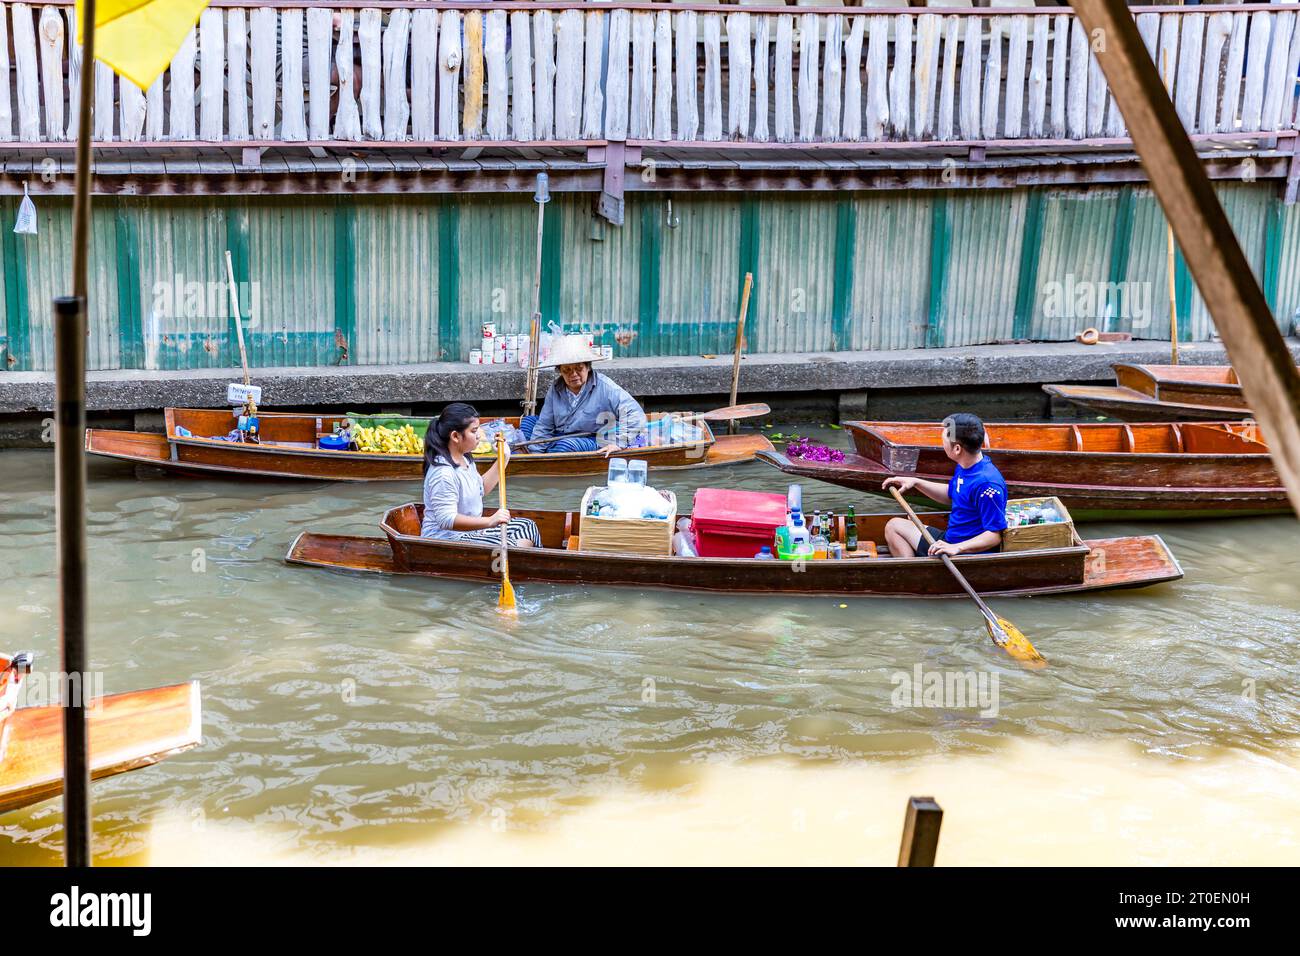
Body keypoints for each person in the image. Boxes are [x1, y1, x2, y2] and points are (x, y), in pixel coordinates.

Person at [882, 413, 1008, 559]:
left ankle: (914, 574)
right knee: (894, 526)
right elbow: (952, 495)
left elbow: (995, 535)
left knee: (894, 527)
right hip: (950, 539)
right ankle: (915, 572)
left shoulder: (987, 485)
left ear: (957, 449)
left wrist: (956, 548)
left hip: (966, 553)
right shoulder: (966, 465)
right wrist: (916, 482)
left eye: (944, 441)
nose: (942, 445)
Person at [421, 402, 542, 547]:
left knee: (527, 526)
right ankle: (521, 560)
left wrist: (503, 458)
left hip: (471, 532)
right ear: (455, 436)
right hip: (445, 539)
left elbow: (481, 488)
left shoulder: (465, 458)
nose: (479, 436)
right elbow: (447, 520)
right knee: (509, 545)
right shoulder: (443, 473)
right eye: (473, 431)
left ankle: (521, 560)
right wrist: (490, 521)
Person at [522, 335, 648, 454]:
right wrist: (534, 453)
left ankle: (551, 454)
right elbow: (545, 424)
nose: (573, 374)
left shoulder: (606, 387)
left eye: (579, 368)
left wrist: (619, 442)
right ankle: (542, 455)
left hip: (593, 439)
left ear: (588, 367)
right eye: (567, 370)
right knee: (528, 422)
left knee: (565, 446)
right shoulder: (555, 389)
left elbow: (636, 415)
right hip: (559, 435)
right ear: (560, 371)